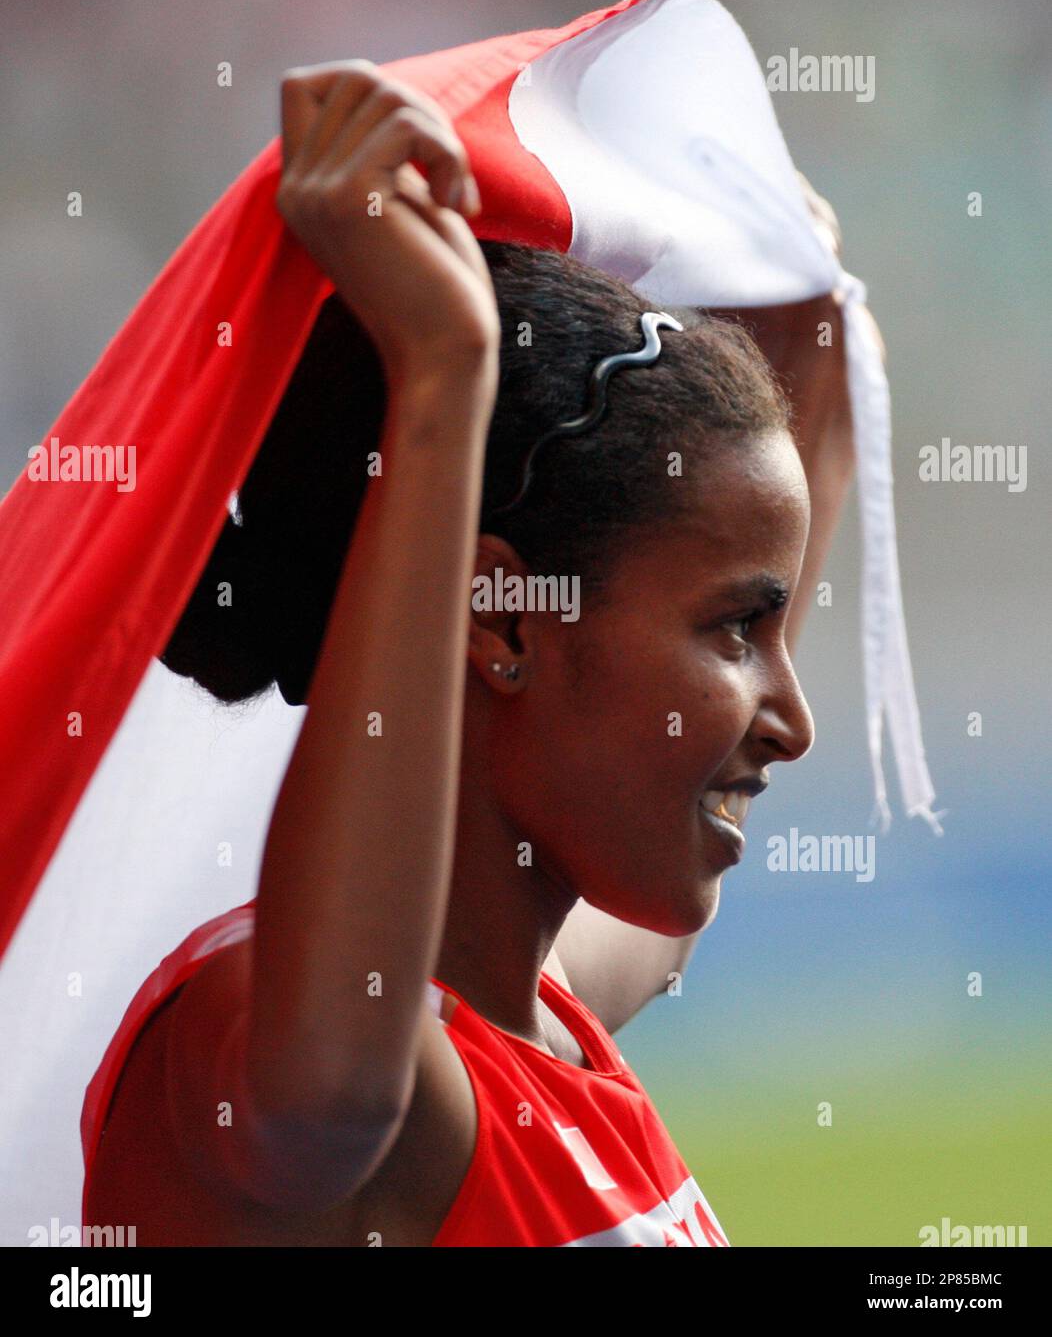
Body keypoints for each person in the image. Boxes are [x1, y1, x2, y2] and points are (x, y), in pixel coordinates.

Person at [81, 61, 832, 1247]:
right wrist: (441, 374)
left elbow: (662, 926)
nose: (791, 717)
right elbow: (333, 1087)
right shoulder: (304, 1060)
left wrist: (809, 331)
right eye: (735, 629)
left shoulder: (539, 1015)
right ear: (498, 615)